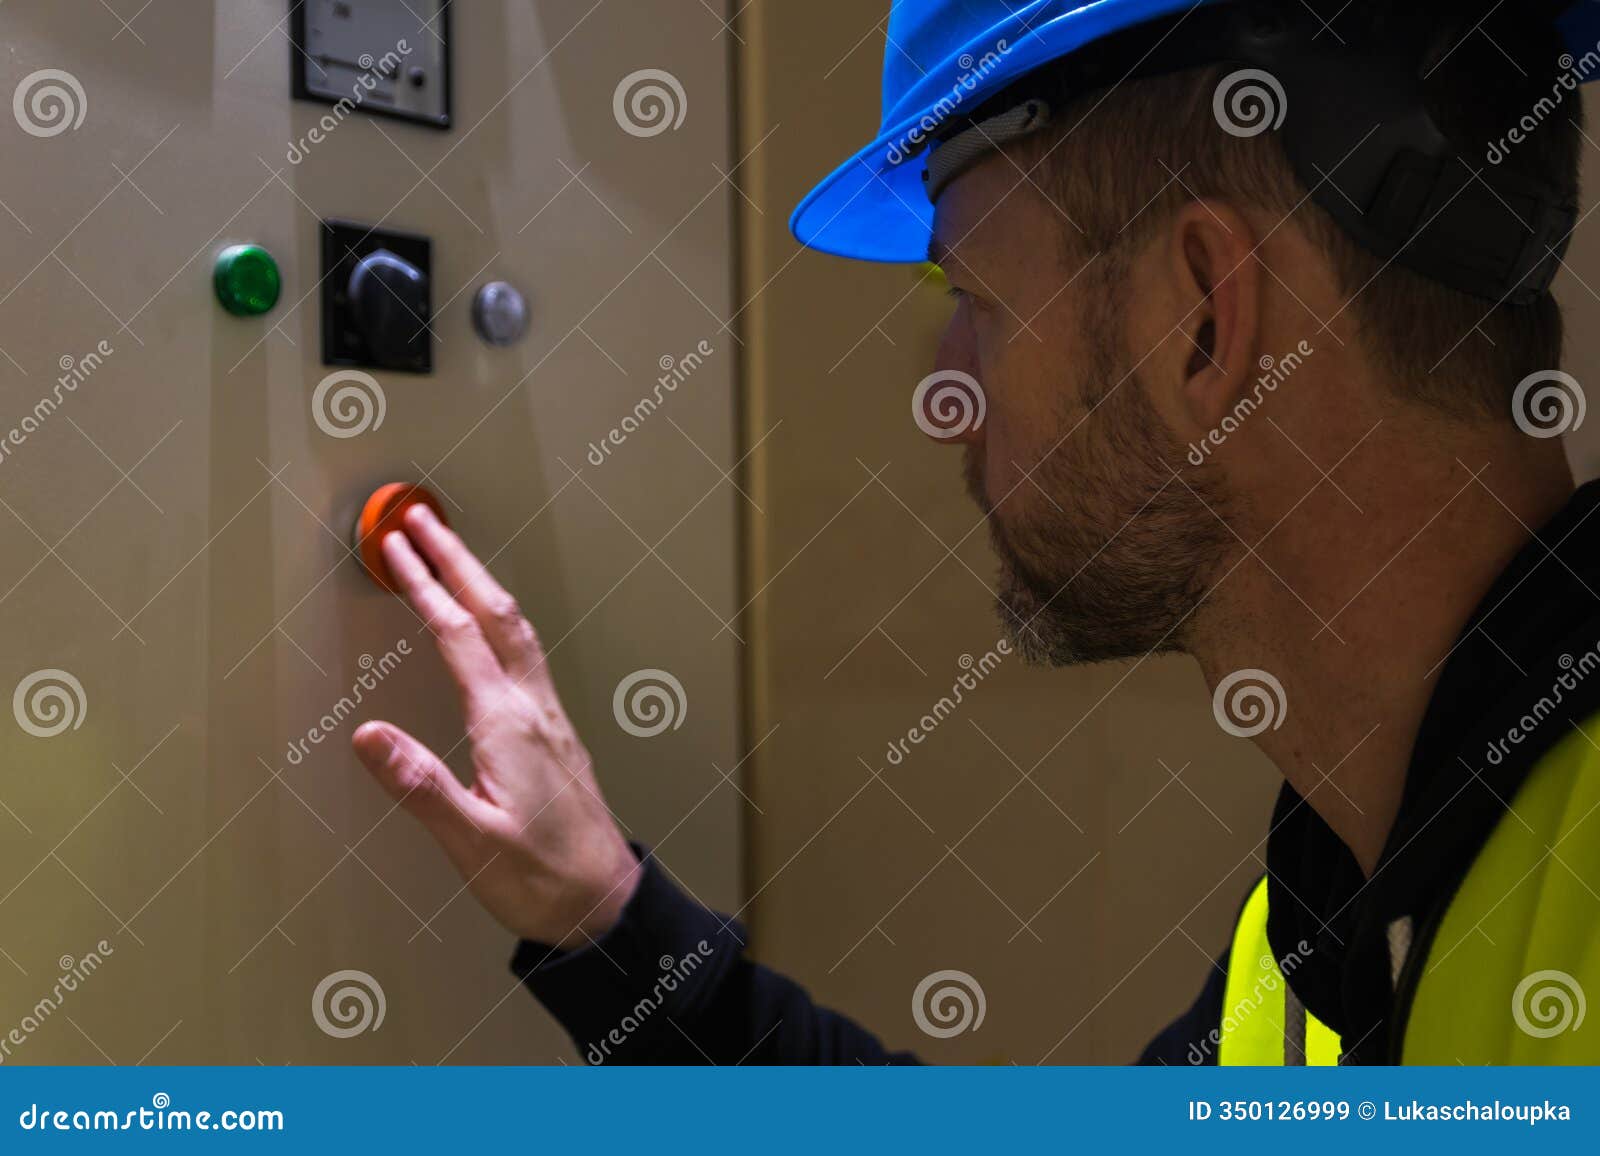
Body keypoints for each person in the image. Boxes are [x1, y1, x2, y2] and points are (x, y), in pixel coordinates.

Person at [349, 0, 1600, 1065]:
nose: (943, 396)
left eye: (975, 300)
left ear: (1204, 325)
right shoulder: (1334, 912)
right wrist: (604, 919)